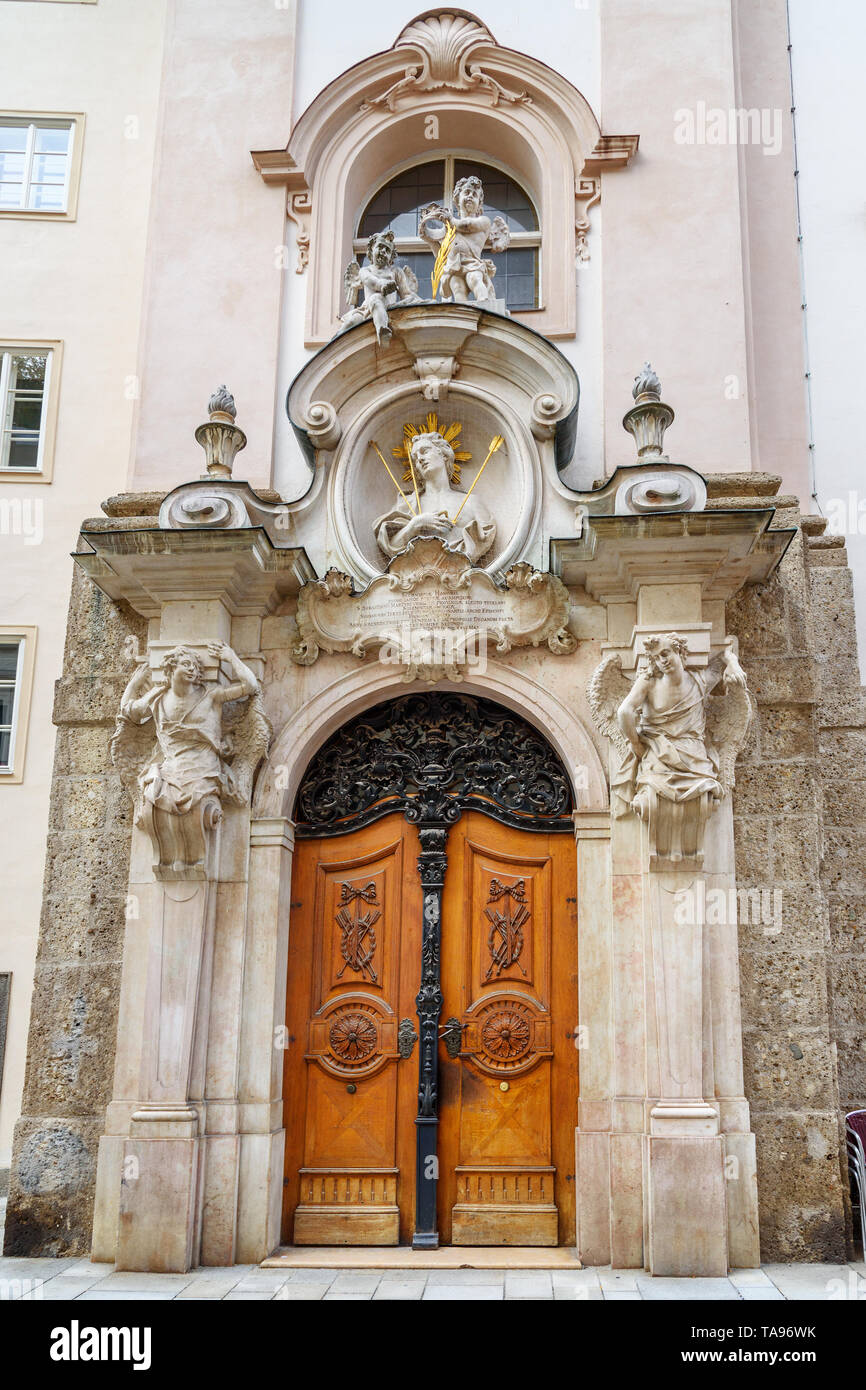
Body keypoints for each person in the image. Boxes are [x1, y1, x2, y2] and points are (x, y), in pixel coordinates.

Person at [615, 633, 746, 818]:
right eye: (656, 658)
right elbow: (624, 712)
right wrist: (635, 743)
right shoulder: (648, 682)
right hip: (660, 753)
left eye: (665, 653)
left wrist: (733, 662)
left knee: (703, 793)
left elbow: (725, 652)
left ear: (680, 652)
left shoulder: (700, 681)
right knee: (654, 792)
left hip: (693, 755)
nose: (662, 660)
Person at [374, 430, 496, 564]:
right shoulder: (406, 503)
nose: (419, 459)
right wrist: (416, 524)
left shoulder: (472, 502)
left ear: (443, 454)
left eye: (424, 451)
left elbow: (485, 538)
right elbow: (392, 547)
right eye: (415, 458)